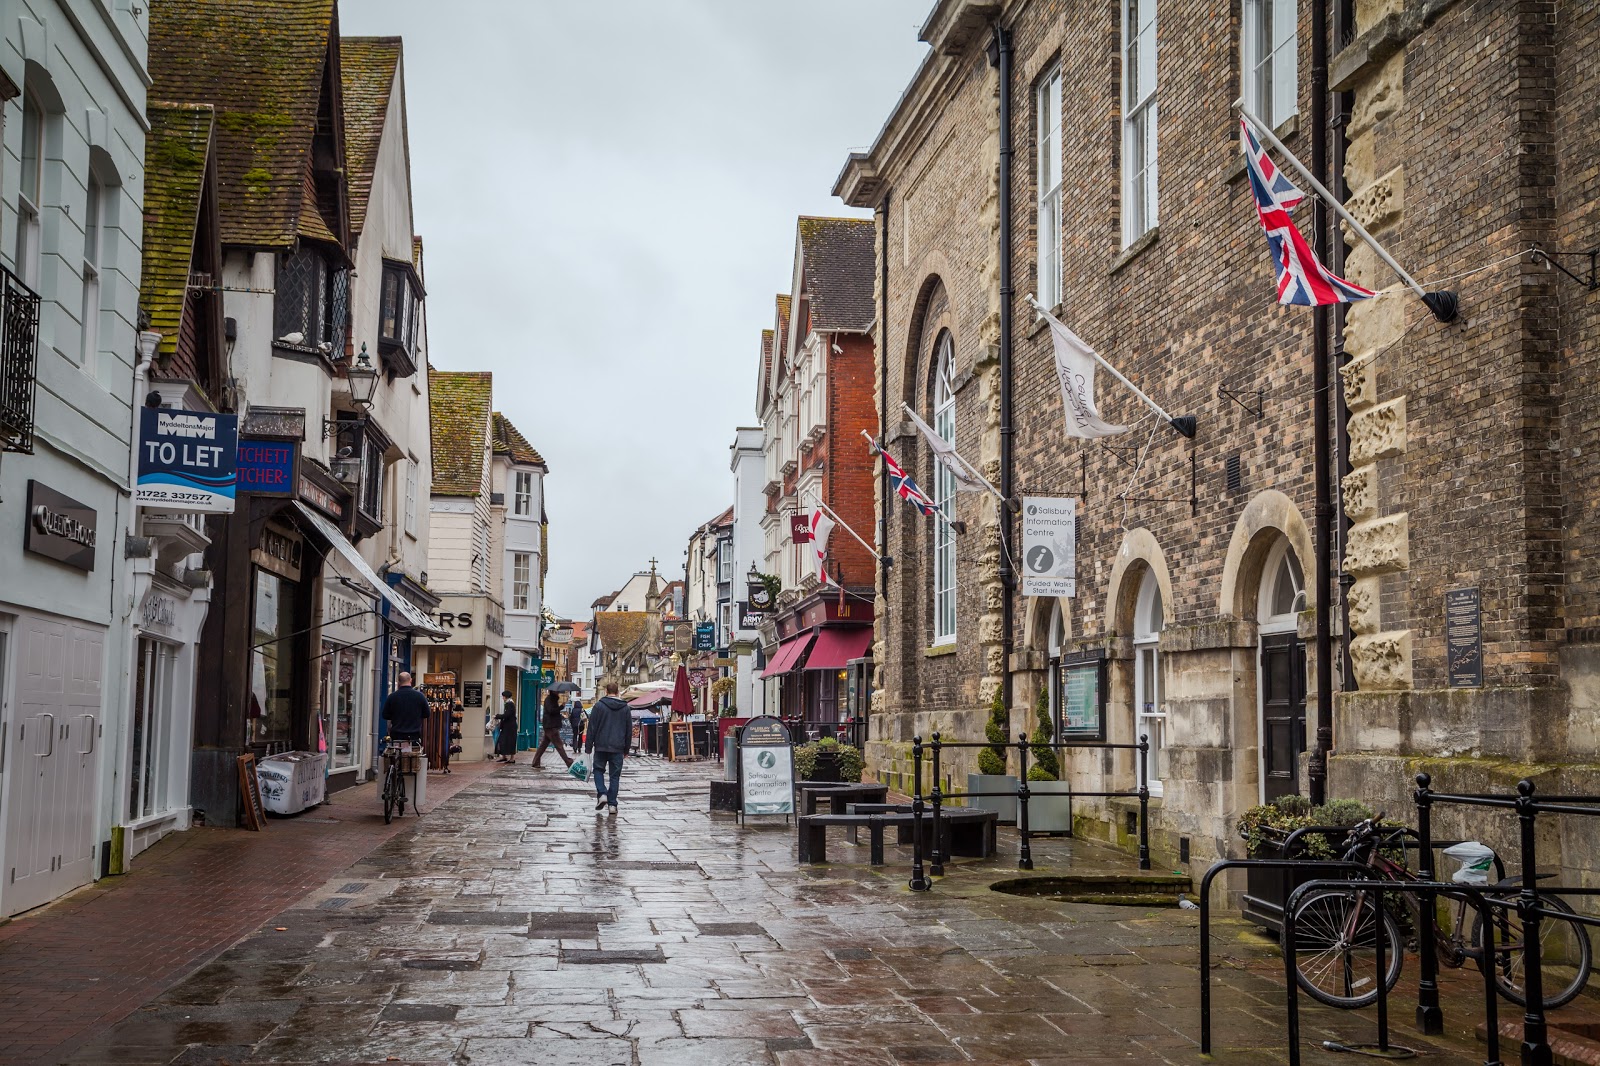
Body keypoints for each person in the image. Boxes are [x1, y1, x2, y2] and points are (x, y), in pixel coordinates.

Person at [585, 682, 632, 812]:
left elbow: (592, 728)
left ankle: (602, 793)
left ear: (606, 691)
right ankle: (612, 805)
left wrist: (588, 746)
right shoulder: (625, 708)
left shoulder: (599, 706)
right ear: (617, 692)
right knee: (614, 776)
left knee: (598, 771)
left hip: (601, 745)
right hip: (618, 747)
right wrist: (626, 749)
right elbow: (629, 730)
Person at [380, 671, 430, 746]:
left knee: (396, 755)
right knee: (413, 755)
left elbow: (385, 715)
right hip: (414, 735)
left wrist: (395, 716)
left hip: (397, 735)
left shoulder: (392, 697)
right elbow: (427, 714)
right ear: (410, 680)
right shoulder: (420, 696)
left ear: (399, 681)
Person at [531, 689, 573, 768]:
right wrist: (561, 707)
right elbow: (551, 711)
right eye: (557, 691)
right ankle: (568, 762)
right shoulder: (549, 700)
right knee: (559, 745)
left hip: (550, 725)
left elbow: (553, 712)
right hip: (551, 726)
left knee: (543, 745)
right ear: (553, 691)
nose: (558, 692)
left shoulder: (552, 699)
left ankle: (535, 762)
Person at [494, 690, 518, 763]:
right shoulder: (510, 703)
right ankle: (505, 756)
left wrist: (497, 716)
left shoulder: (509, 704)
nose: (502, 698)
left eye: (503, 696)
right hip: (509, 726)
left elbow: (507, 715)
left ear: (505, 697)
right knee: (504, 741)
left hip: (509, 727)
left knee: (507, 741)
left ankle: (511, 758)